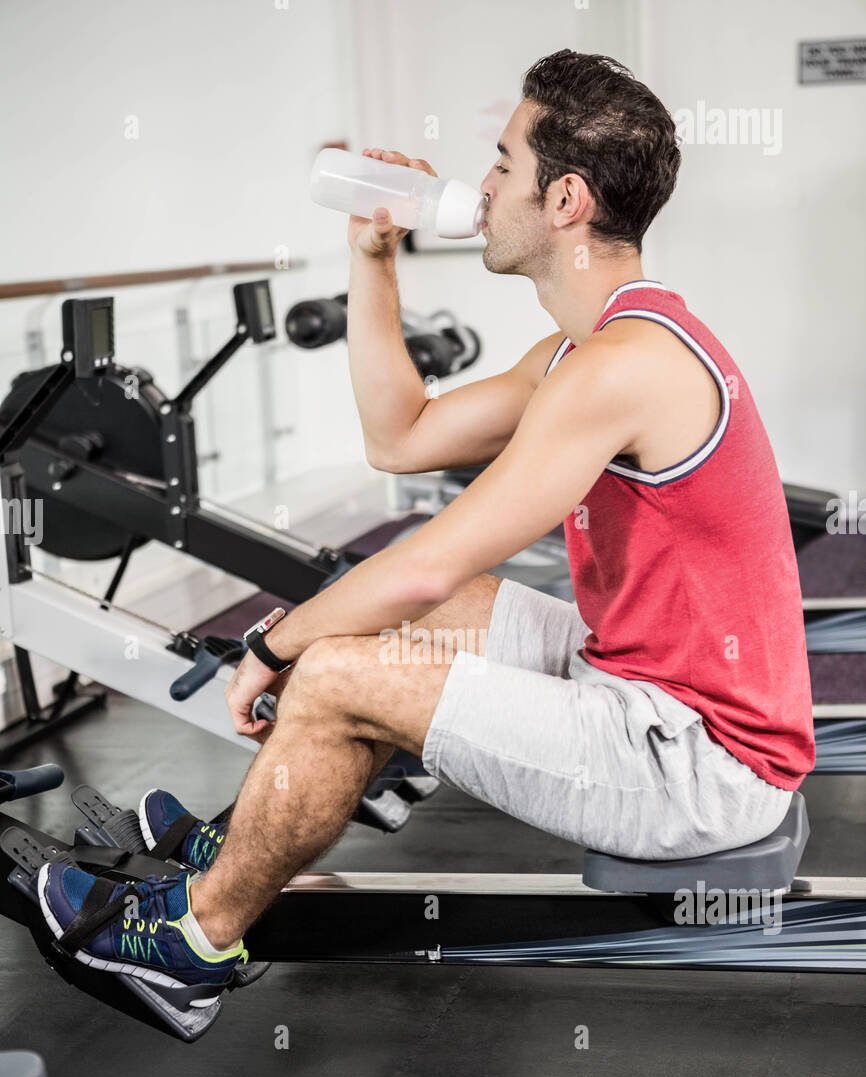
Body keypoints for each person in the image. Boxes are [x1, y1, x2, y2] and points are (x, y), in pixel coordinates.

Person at [38, 50, 814, 996]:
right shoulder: (589, 346)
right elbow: (399, 437)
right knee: (434, 619)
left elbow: (422, 564)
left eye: (502, 161)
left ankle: (194, 945)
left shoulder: (623, 367)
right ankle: (243, 839)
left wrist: (274, 646)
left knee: (334, 669)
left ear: (564, 200)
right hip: (639, 682)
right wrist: (375, 258)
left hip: (697, 763)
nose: (481, 185)